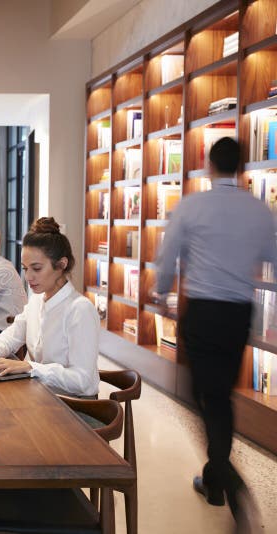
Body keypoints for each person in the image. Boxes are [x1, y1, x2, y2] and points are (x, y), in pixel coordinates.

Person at [154, 137, 276, 529]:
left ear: (209, 165)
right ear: (242, 167)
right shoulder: (260, 211)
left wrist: (161, 292)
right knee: (218, 394)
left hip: (202, 311)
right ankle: (213, 479)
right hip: (239, 314)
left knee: (200, 395)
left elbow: (168, 253)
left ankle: (232, 486)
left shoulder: (192, 206)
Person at [0, 218, 100, 398]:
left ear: (61, 265)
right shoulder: (36, 301)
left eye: (37, 268)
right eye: (25, 269)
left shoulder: (80, 310)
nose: (28, 277)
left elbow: (83, 381)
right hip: (41, 396)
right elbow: (12, 335)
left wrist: (30, 367)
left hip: (74, 406)